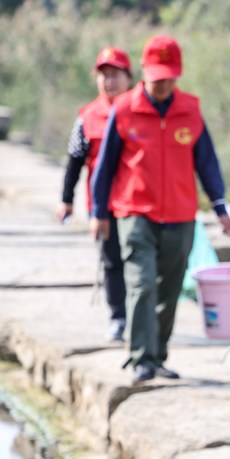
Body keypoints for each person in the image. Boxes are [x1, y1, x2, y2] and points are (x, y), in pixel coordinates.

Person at [90, 35, 230, 385]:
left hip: (181, 214)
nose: (163, 85)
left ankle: (158, 354)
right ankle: (141, 357)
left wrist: (220, 205)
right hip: (135, 211)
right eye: (157, 78)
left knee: (169, 289)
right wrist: (99, 211)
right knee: (141, 285)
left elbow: (207, 162)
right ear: (144, 73)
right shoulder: (124, 109)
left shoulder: (190, 109)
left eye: (169, 78)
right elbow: (105, 165)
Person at [58, 46, 133, 342]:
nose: (109, 82)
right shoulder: (87, 117)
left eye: (115, 75)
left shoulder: (143, 112)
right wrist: (66, 200)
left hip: (139, 202)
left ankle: (144, 318)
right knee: (112, 261)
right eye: (103, 76)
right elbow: (74, 162)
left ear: (130, 77)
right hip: (102, 206)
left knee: (141, 262)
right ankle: (118, 317)